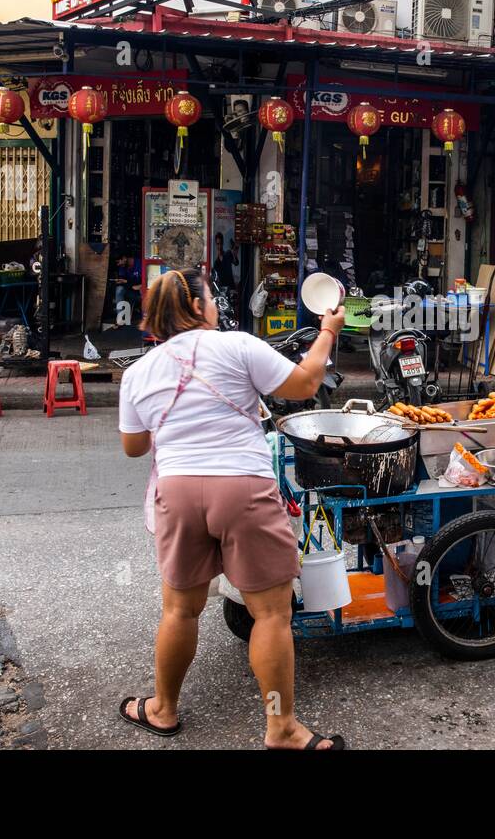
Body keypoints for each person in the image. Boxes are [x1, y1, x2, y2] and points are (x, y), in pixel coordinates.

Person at [117, 268, 347, 749]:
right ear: (197, 308)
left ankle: (162, 709)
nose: (216, 304)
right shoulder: (235, 345)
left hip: (177, 491)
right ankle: (280, 726)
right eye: (211, 298)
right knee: (270, 615)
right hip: (241, 486)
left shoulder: (138, 372)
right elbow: (306, 383)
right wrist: (327, 333)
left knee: (180, 609)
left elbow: (134, 447)